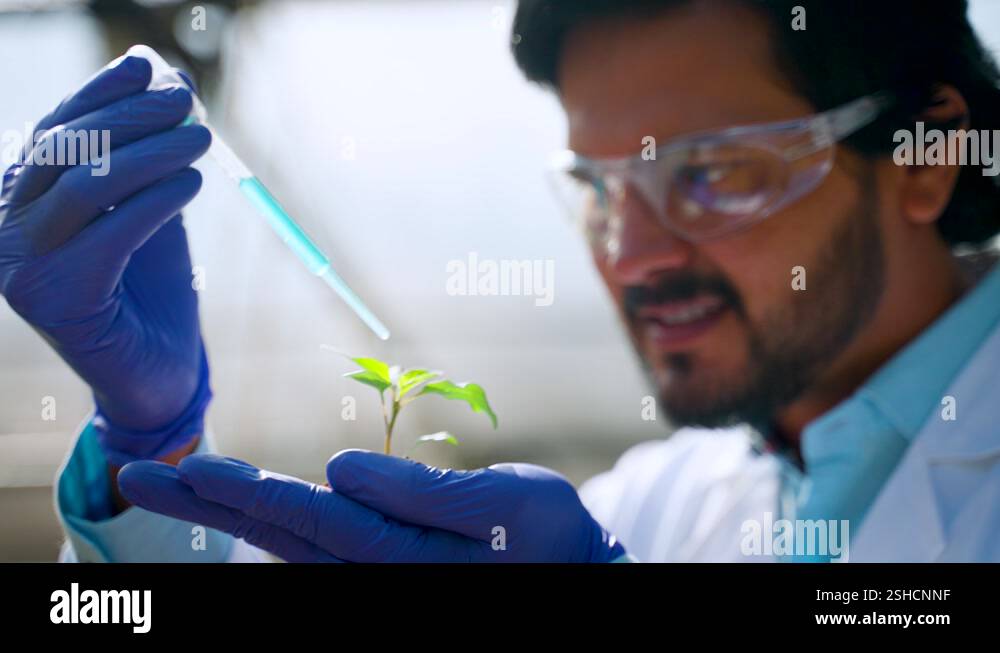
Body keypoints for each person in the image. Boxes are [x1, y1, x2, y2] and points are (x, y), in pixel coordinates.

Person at [2, 0, 999, 563]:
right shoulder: (672, 504)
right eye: (602, 188)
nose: (631, 253)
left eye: (712, 172)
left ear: (923, 154)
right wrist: (151, 435)